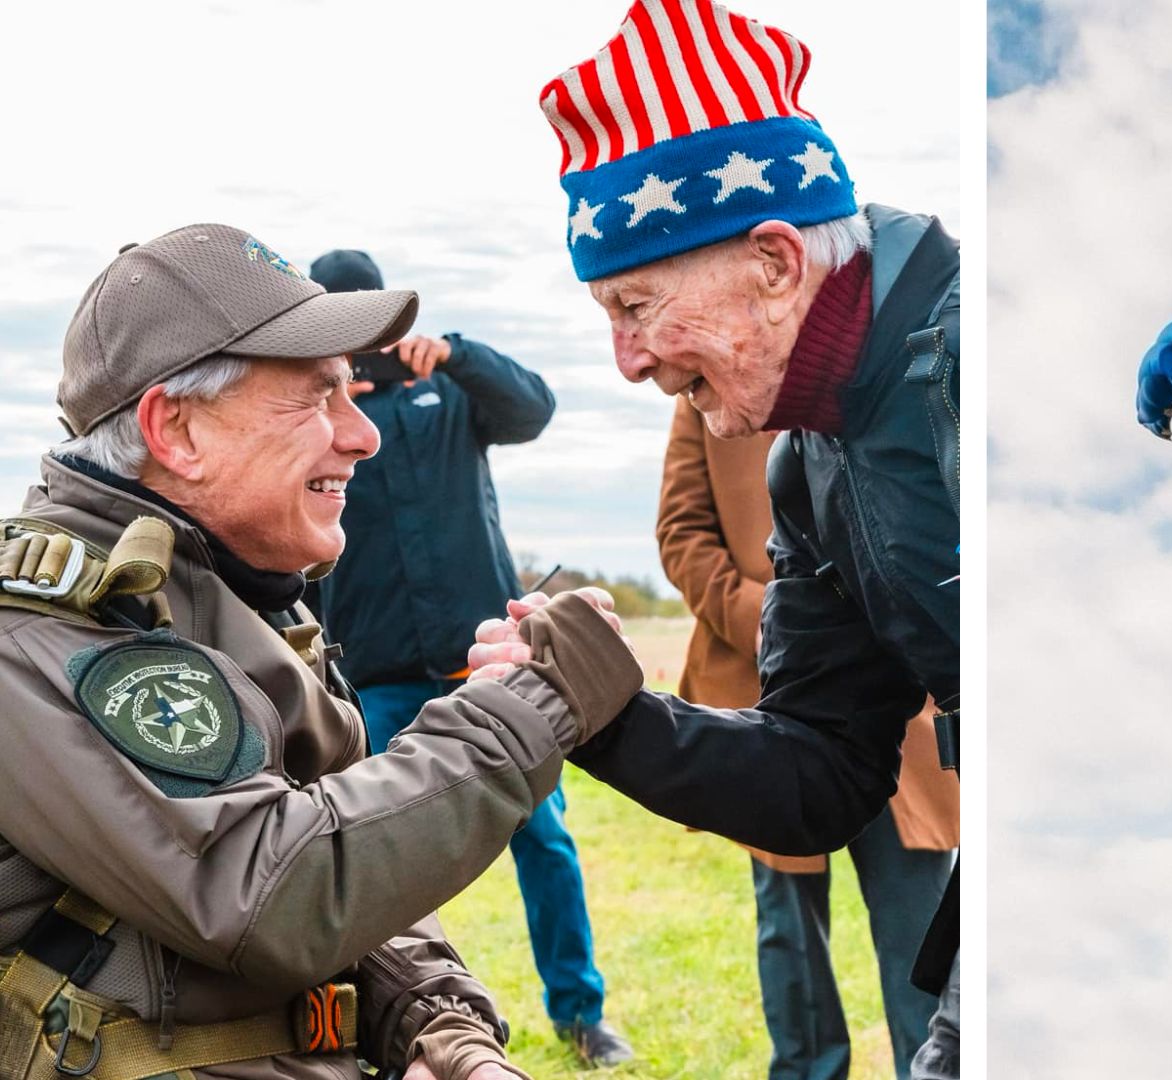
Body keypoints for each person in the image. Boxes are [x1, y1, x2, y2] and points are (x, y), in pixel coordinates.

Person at [0, 225, 642, 1080]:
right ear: (177, 429)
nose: (360, 434)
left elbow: (339, 826)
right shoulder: (47, 630)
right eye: (317, 398)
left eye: (353, 391)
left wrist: (431, 1026)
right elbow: (277, 890)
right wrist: (531, 702)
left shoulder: (231, 599)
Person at [471, 3, 964, 1075]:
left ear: (777, 262)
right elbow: (820, 769)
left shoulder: (981, 365)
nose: (626, 361)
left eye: (636, 305)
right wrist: (602, 714)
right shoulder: (809, 461)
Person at [306, 249, 633, 1069]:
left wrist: (457, 353)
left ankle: (582, 1014)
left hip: (479, 667)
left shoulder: (449, 390)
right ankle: (370, 1024)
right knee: (359, 853)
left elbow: (533, 409)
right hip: (370, 677)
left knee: (545, 842)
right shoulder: (324, 418)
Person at [656, 395, 958, 1079]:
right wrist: (774, 617)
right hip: (765, 699)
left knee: (921, 922)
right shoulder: (700, 401)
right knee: (788, 928)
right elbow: (681, 534)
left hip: (898, 701)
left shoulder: (883, 373)